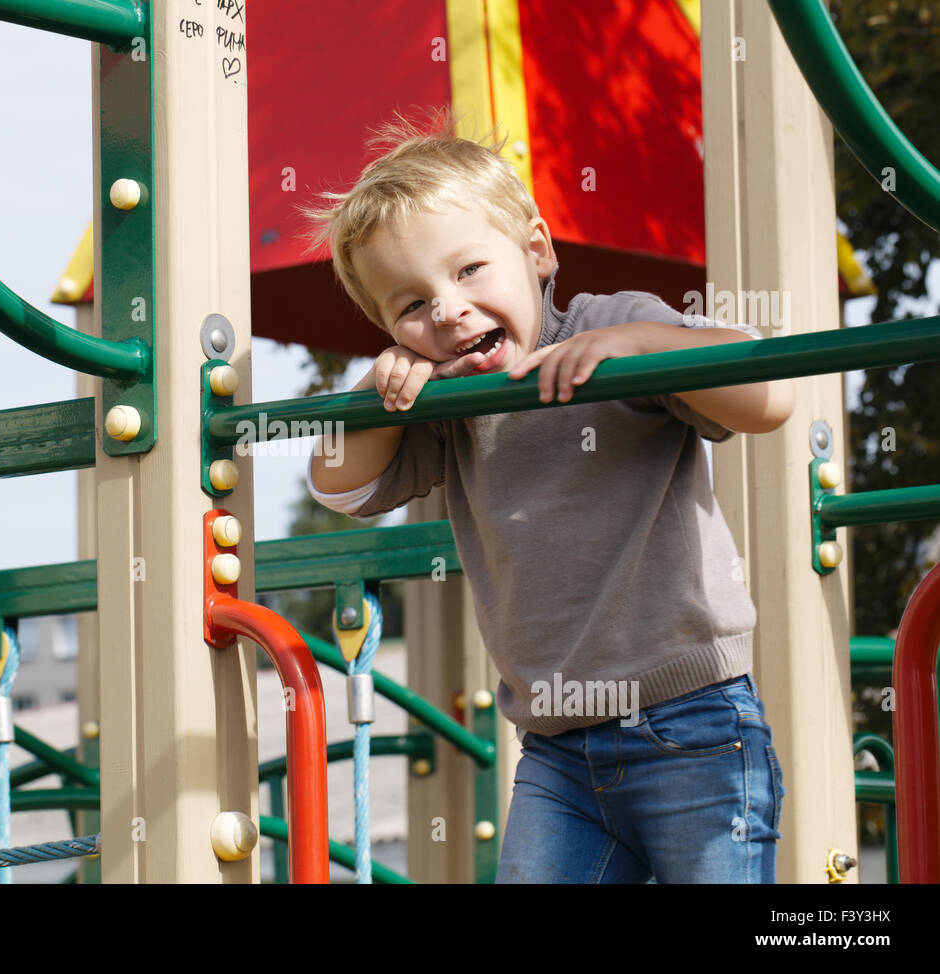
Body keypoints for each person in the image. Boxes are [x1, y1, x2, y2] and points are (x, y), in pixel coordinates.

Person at [297, 107, 796, 883]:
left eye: (468, 272)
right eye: (411, 305)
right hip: (556, 751)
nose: (448, 310)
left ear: (535, 251)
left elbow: (766, 396)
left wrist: (641, 349)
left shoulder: (612, 327)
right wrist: (380, 385)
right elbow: (338, 483)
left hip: (692, 719)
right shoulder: (448, 403)